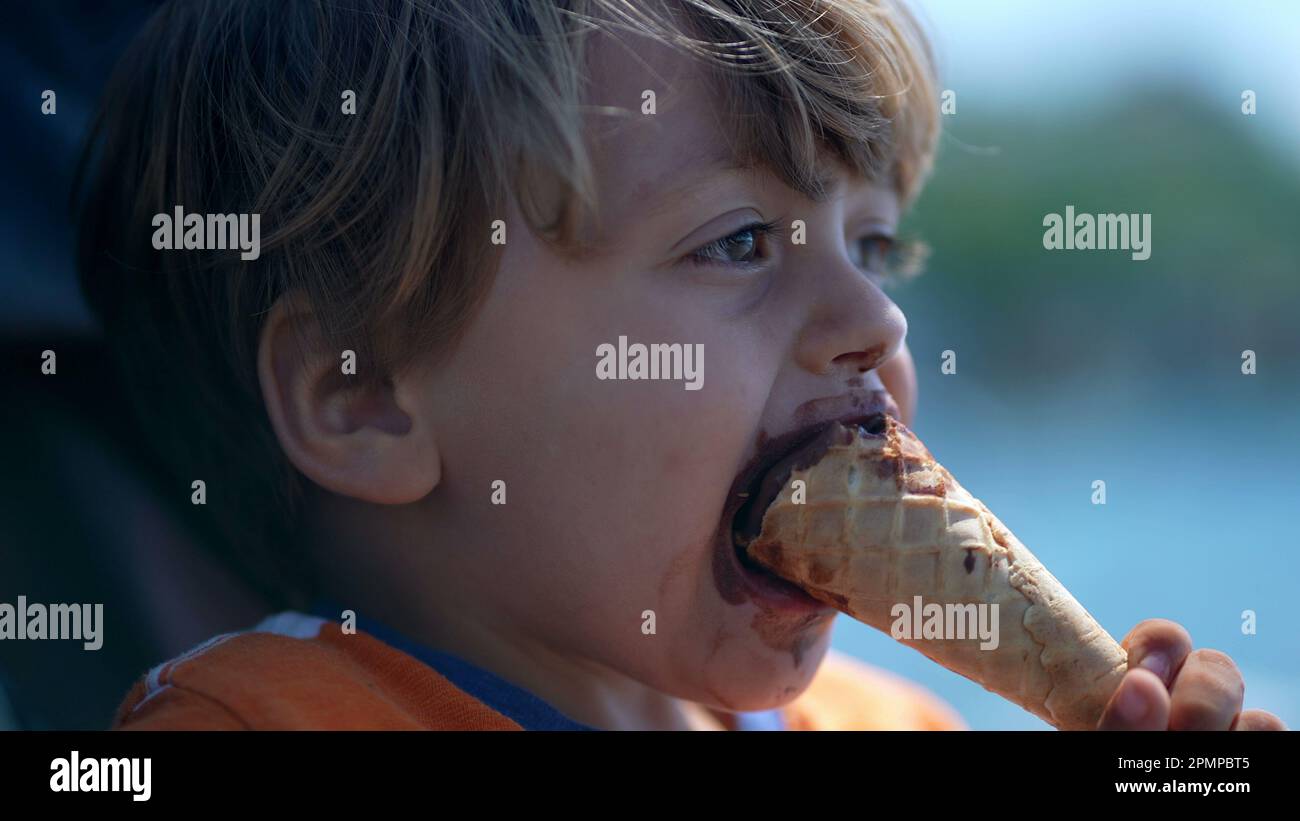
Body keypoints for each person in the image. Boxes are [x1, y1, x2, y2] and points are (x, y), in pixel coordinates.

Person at [78, 0, 1284, 731]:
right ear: (364, 390)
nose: (874, 318)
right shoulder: (254, 723)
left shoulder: (887, 714)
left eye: (874, 244)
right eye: (740, 243)